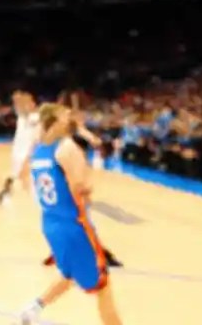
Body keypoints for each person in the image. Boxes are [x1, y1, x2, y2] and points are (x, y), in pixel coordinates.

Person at [17, 104, 123, 325]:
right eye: (65, 115)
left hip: (50, 222)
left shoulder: (39, 151)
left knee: (69, 272)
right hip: (74, 225)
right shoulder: (66, 147)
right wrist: (89, 182)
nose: (70, 119)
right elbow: (79, 188)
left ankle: (33, 309)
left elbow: (25, 179)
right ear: (54, 120)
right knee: (102, 286)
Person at [0, 91, 39, 205]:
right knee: (14, 175)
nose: (28, 105)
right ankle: (6, 193)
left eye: (30, 103)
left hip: (29, 151)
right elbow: (17, 101)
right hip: (18, 151)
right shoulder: (22, 116)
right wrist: (20, 98)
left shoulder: (36, 117)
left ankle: (35, 195)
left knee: (29, 174)